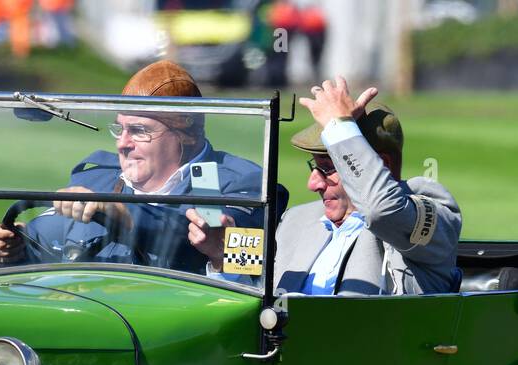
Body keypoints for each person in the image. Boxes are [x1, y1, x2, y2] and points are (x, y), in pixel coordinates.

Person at [0, 60, 283, 274]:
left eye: (139, 131)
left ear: (185, 134)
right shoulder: (99, 176)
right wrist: (8, 252)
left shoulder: (226, 181)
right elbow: (47, 242)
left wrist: (124, 214)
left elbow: (249, 260)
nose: (122, 144)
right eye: (120, 129)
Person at [188, 76, 461, 296]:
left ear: (383, 164)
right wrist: (224, 253)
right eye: (315, 167)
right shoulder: (298, 219)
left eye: (329, 168)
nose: (313, 183)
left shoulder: (431, 211)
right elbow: (256, 301)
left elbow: (381, 209)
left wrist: (340, 128)